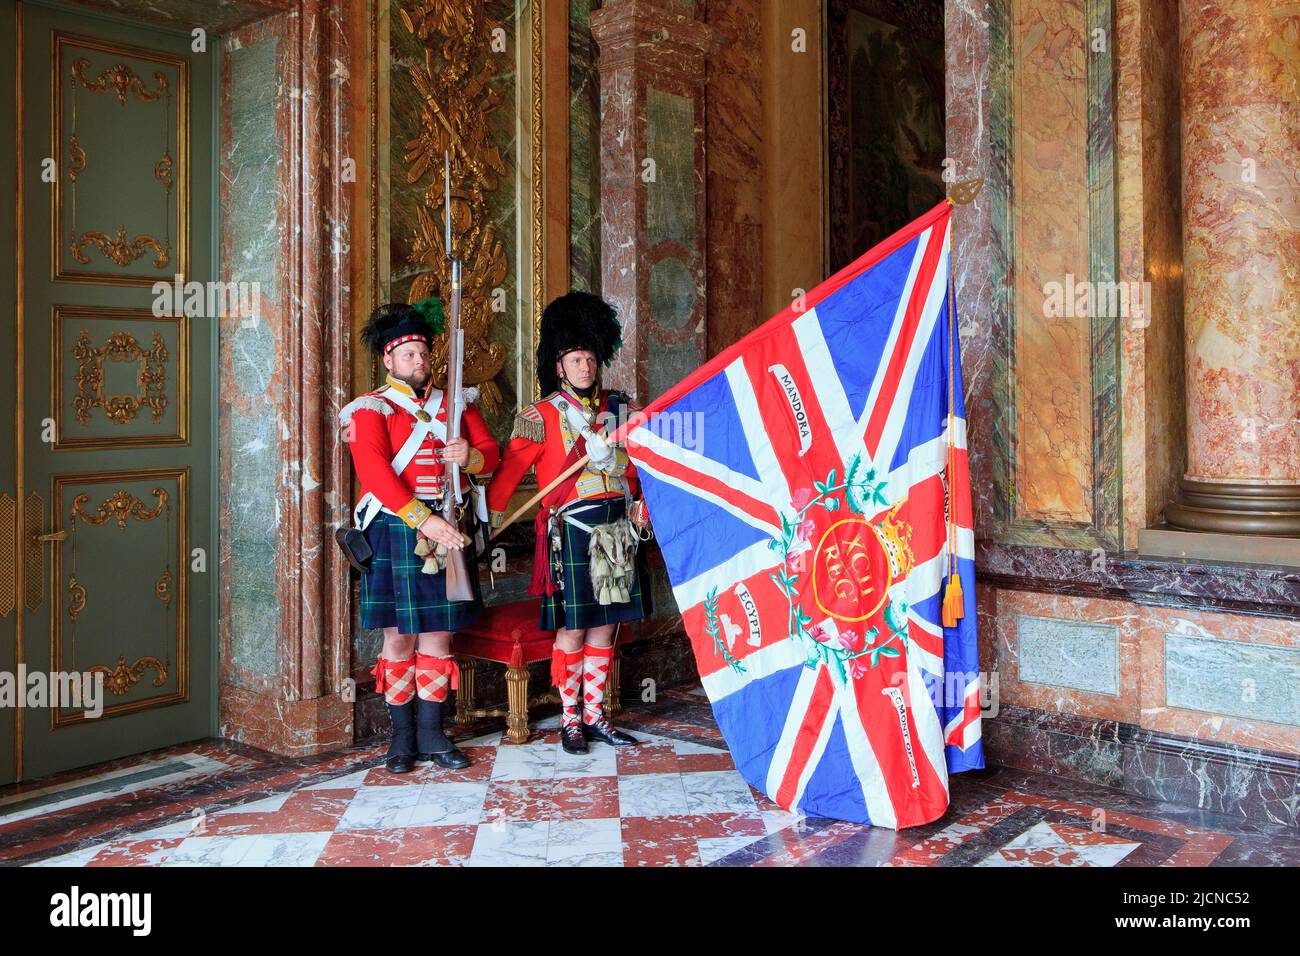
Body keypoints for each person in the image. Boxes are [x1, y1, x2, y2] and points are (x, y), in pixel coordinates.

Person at [487, 291, 651, 755]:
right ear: (559, 367)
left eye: (590, 359)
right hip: (573, 532)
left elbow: (643, 468)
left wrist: (642, 502)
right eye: (576, 360)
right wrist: (483, 515)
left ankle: (597, 715)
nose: (585, 367)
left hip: (620, 532)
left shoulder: (619, 409)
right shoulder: (538, 417)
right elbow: (505, 482)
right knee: (574, 628)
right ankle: (571, 719)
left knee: (606, 627)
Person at [341, 299, 500, 773]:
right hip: (398, 527)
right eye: (408, 355)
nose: (419, 362)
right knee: (399, 639)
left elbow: (491, 456)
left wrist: (468, 456)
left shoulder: (456, 404)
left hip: (448, 520)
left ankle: (433, 735)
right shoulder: (369, 408)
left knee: (437, 637)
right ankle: (401, 740)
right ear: (388, 361)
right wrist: (423, 520)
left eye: (424, 354)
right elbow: (373, 471)